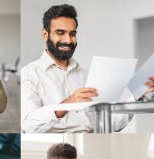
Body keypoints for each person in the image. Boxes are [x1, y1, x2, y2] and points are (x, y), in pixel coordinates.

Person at [20, 4, 154, 133]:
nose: (68, 40)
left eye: (72, 34)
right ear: (45, 35)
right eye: (60, 33)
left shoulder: (85, 75)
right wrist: (67, 104)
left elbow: (112, 123)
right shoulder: (30, 73)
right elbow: (28, 125)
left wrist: (137, 97)